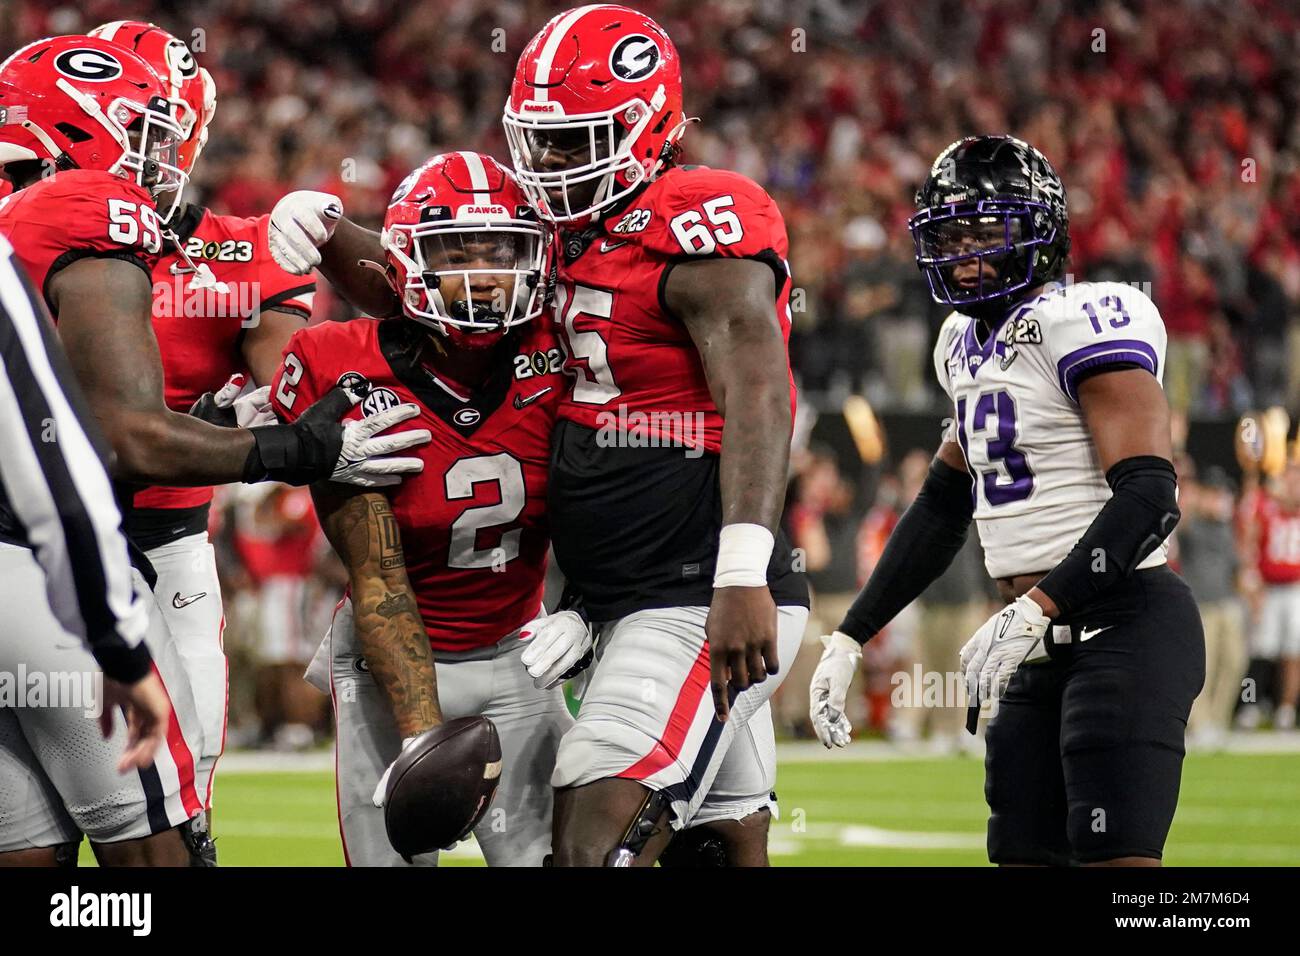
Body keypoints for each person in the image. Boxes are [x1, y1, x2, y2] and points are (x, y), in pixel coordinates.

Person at [267, 6, 809, 867]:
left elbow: (759, 394)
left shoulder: (702, 211)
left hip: (698, 589)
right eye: (541, 140)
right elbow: (450, 285)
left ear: (647, 124)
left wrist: (742, 572)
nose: (551, 163)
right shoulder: (562, 233)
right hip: (615, 600)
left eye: (575, 141)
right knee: (722, 844)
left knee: (589, 839)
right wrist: (333, 239)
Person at [0, 34, 425, 865]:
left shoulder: (226, 246)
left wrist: (335, 234)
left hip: (139, 550)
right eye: (148, 131)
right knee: (165, 840)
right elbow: (131, 437)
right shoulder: (87, 210)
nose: (169, 157)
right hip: (82, 563)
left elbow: (295, 376)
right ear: (86, 131)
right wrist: (291, 445)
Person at [809, 135, 1204, 866]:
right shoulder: (960, 341)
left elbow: (1151, 494)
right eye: (950, 234)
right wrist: (851, 634)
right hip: (1031, 644)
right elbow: (942, 504)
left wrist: (1039, 604)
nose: (963, 251)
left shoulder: (1087, 319)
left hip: (1125, 627)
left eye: (986, 232)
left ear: (1041, 232)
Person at [271, 152, 573, 866]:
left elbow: (616, 506)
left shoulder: (561, 355)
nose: (480, 275)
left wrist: (587, 608)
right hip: (386, 667)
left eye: (501, 252)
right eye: (454, 254)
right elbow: (377, 576)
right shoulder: (337, 362)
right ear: (401, 263)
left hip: (520, 654)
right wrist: (420, 733)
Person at [88, 18, 319, 817]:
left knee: (184, 796)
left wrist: (275, 409)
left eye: (149, 133)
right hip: (28, 546)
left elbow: (300, 401)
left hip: (170, 542)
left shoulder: (233, 256)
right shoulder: (25, 238)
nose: (129, 158)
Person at [0, 232, 174, 860]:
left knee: (19, 845)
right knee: (153, 844)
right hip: (17, 579)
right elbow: (54, 469)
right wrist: (116, 645)